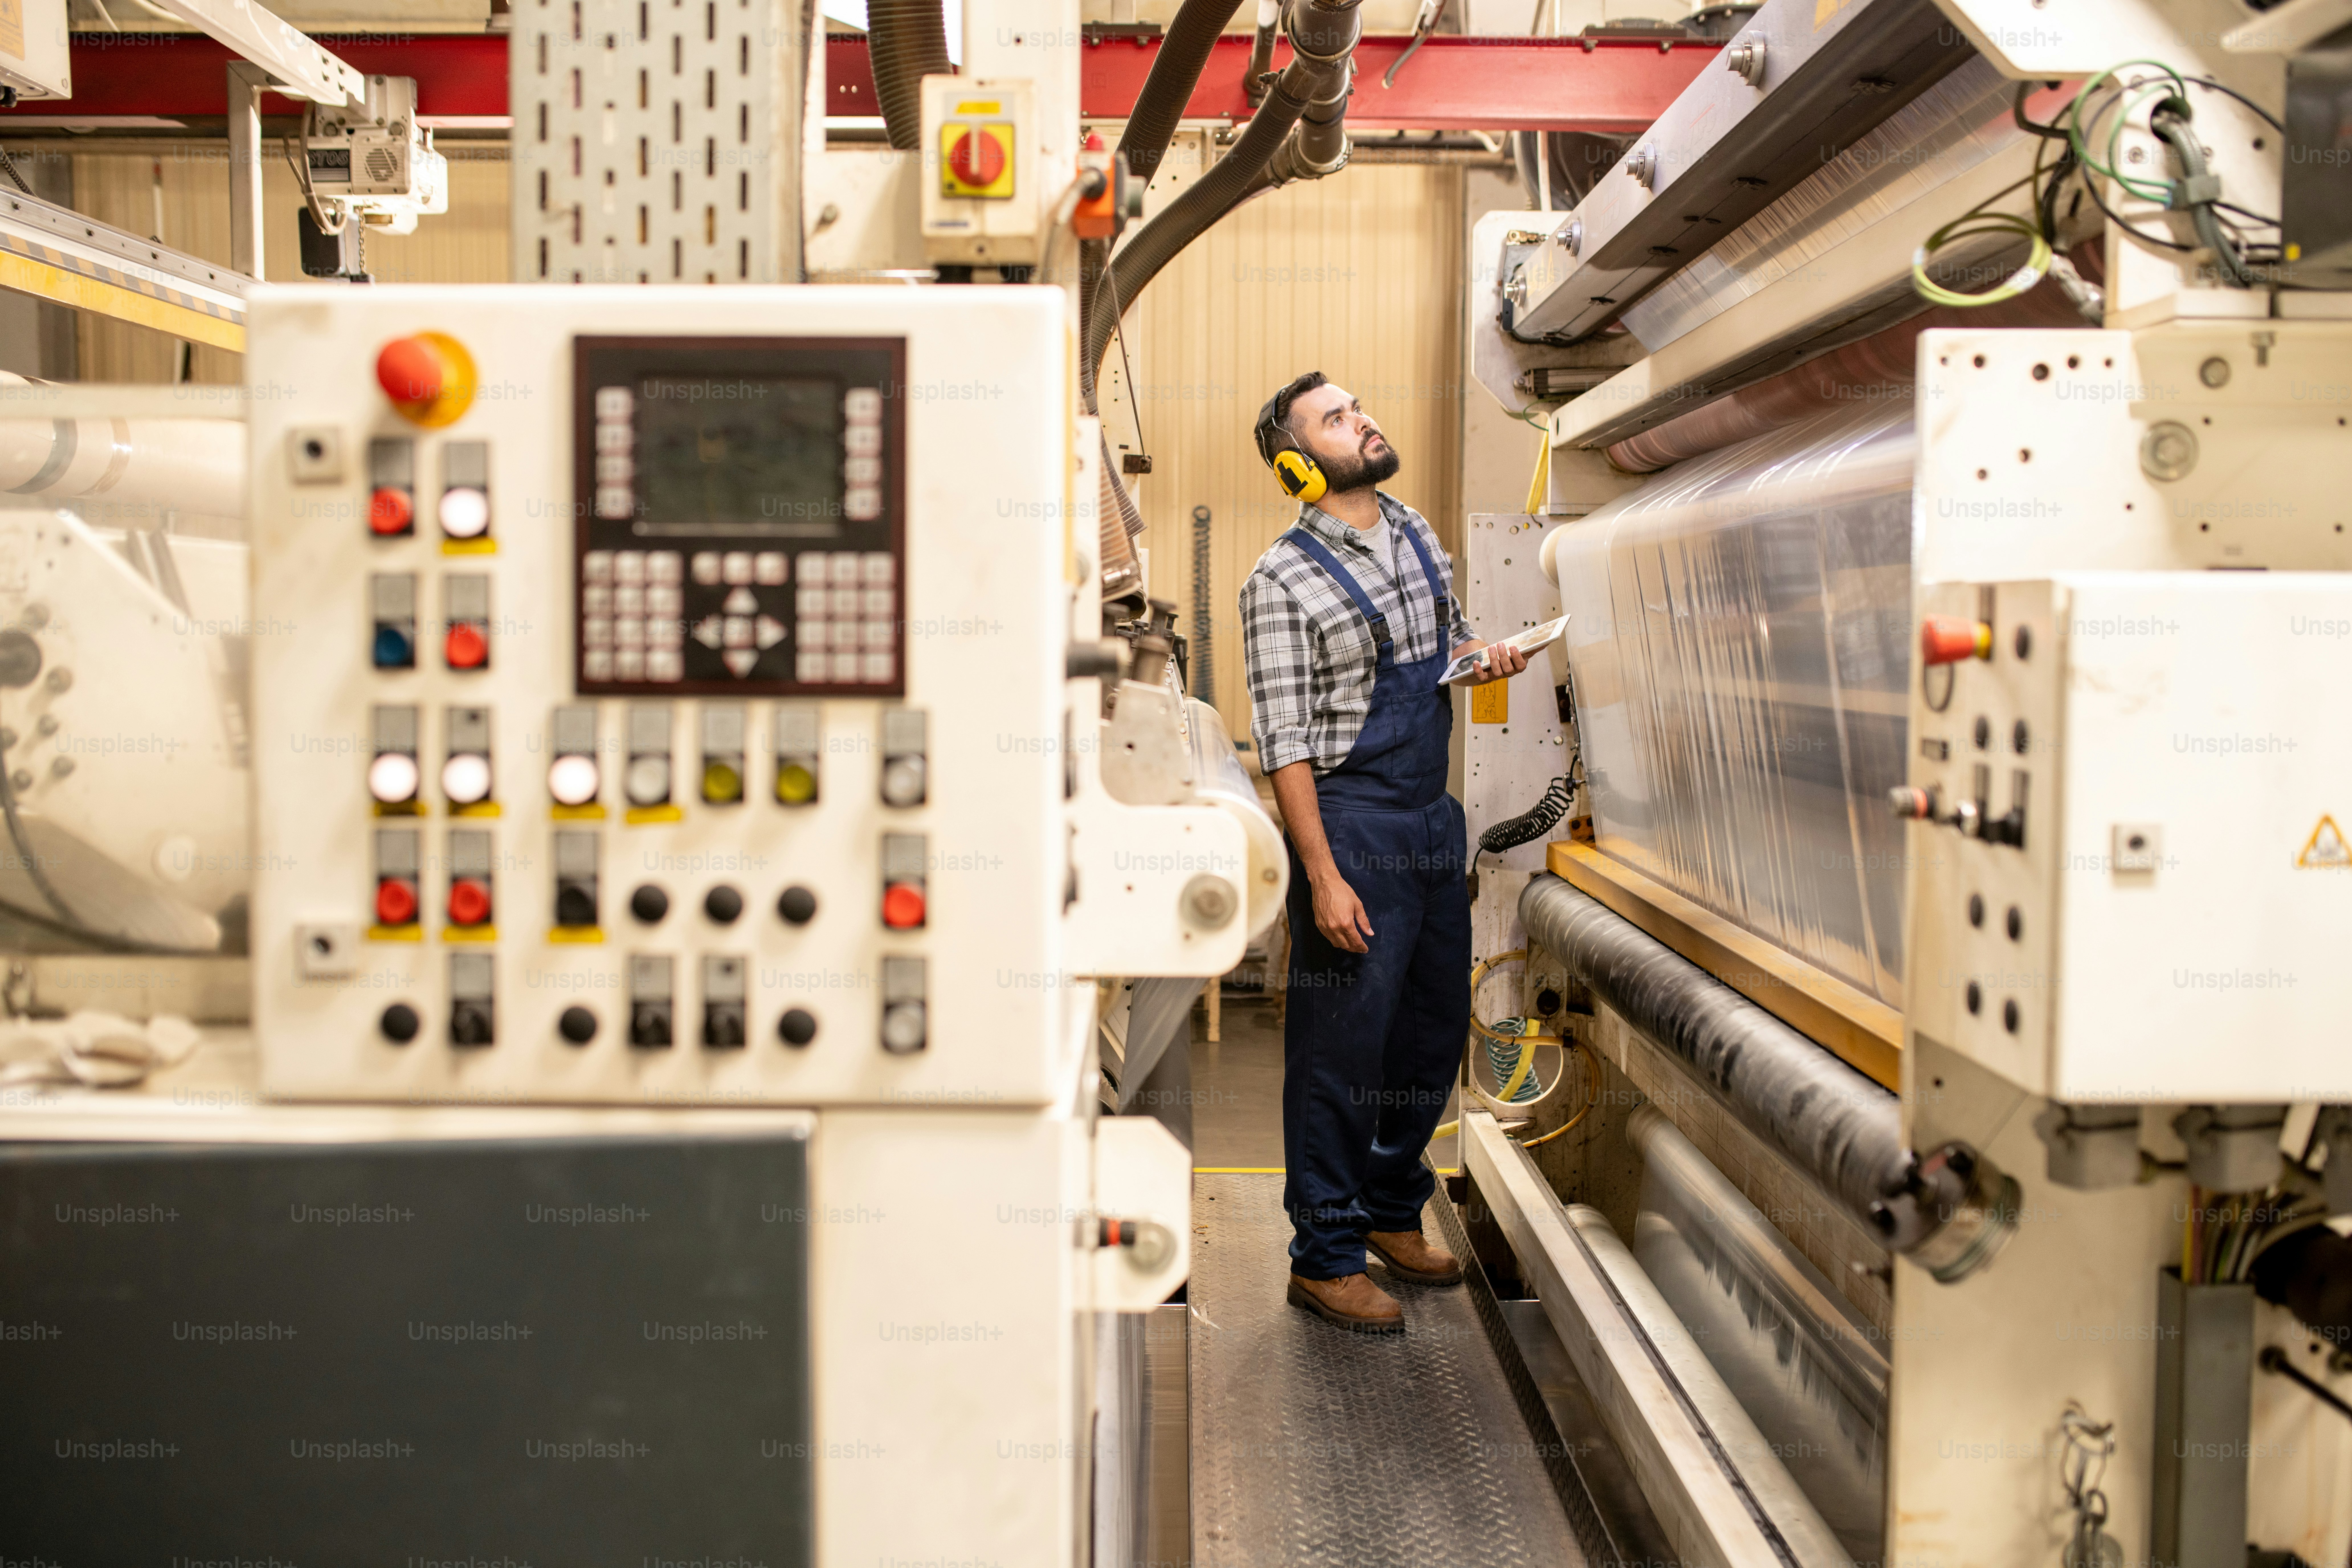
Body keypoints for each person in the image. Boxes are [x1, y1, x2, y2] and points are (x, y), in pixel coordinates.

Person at [1238, 371, 1527, 1332]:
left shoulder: (1411, 529)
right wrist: (1320, 876)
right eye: (1335, 418)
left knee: (1430, 1033)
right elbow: (1283, 744)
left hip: (1429, 817)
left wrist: (1481, 655)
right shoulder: (1277, 580)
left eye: (1357, 406)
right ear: (1297, 462)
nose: (1361, 420)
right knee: (1341, 1055)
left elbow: (1442, 644)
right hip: (1351, 825)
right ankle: (1323, 1254)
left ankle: (1391, 1211)